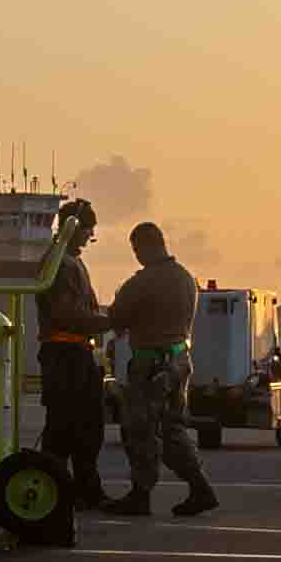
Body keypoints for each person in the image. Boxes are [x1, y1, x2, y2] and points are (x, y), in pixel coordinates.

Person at [105, 218, 221, 516]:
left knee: (138, 429)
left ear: (141, 247)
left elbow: (117, 317)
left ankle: (141, 494)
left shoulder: (142, 282)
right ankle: (200, 487)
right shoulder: (185, 278)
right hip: (178, 361)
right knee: (173, 429)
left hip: (149, 365)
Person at [35, 199, 111, 494]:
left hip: (78, 353)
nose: (89, 239)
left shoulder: (69, 260)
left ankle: (83, 489)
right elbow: (65, 314)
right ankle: (58, 489)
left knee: (87, 427)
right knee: (65, 427)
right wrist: (107, 320)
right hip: (65, 355)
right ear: (75, 228)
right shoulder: (60, 263)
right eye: (87, 232)